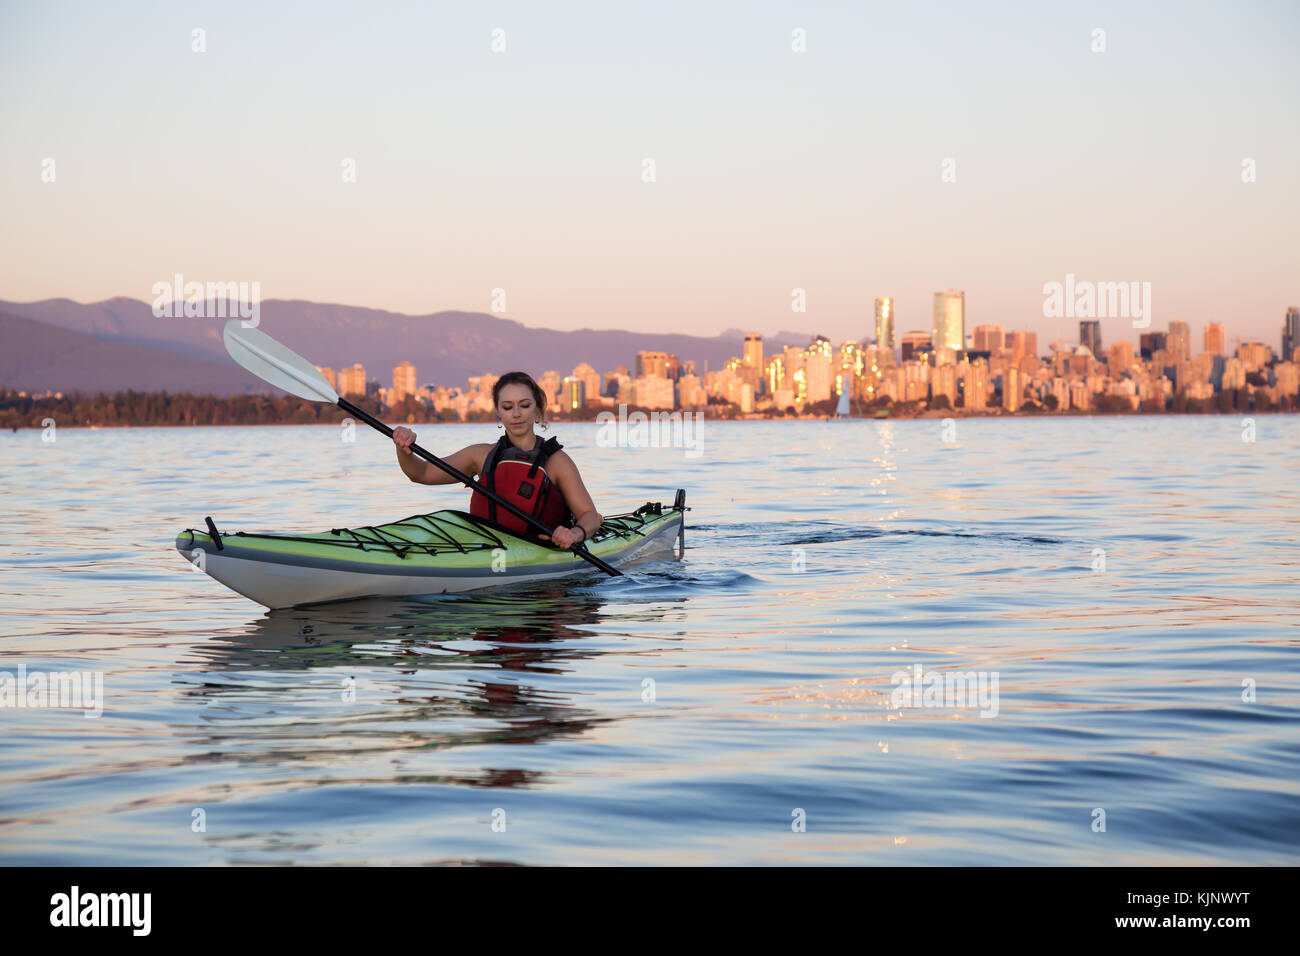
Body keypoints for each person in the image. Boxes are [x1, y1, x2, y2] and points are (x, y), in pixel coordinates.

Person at [391, 371, 602, 550]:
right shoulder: (479, 456)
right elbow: (421, 473)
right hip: (486, 549)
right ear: (499, 414)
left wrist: (574, 534)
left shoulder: (557, 463)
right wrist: (403, 447)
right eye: (508, 407)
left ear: (537, 410)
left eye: (525, 405)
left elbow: (590, 515)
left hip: (541, 551)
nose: (517, 414)